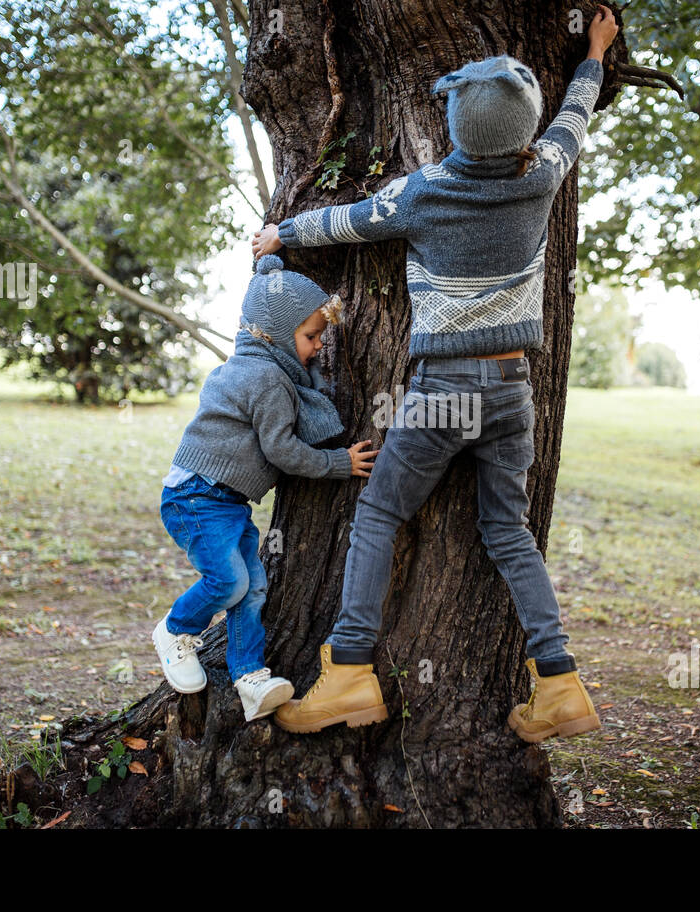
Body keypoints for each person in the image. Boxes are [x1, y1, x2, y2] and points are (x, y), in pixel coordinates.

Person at [250, 6, 620, 740]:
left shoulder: (422, 192)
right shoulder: (542, 175)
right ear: (523, 131)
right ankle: (560, 682)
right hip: (513, 388)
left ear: (455, 127)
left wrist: (279, 233)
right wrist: (595, 56)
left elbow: (345, 221)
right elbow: (575, 120)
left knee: (382, 512)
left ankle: (350, 672)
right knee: (507, 531)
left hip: (445, 389)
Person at [152, 253, 379, 721]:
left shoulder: (254, 367)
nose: (318, 347)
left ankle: (250, 676)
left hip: (225, 501)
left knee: (254, 588)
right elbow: (282, 450)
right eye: (311, 336)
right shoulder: (268, 378)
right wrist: (338, 462)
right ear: (275, 334)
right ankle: (175, 630)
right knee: (230, 581)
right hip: (196, 496)